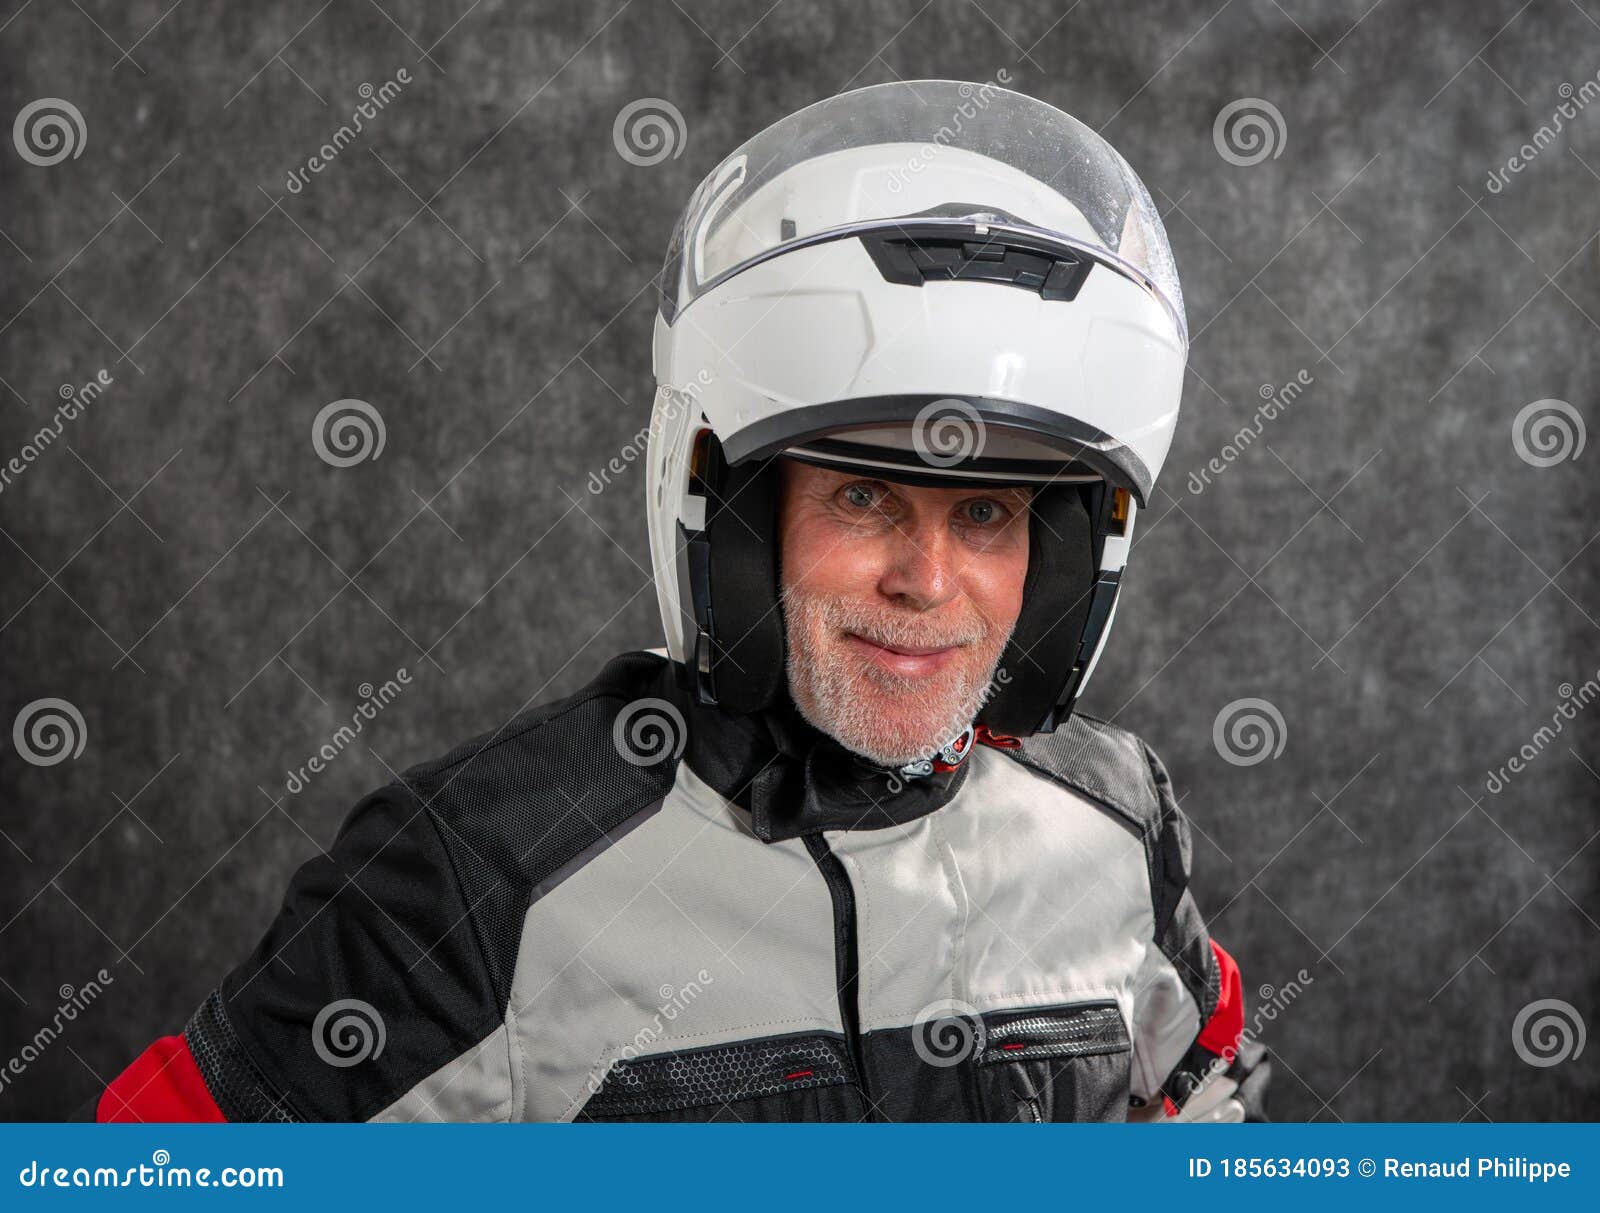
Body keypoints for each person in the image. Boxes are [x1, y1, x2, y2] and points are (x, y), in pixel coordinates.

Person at [79, 81, 1270, 1123]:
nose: (926, 582)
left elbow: (1205, 1080)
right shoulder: (471, 877)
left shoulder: (1114, 820)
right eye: (862, 498)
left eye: (985, 516)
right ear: (733, 521)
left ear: (1061, 560)